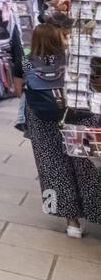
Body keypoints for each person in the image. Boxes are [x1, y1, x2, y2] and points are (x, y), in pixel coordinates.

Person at [14, 20, 101, 238]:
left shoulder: (26, 61)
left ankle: (71, 222)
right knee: (86, 167)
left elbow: (18, 89)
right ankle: (96, 212)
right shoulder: (73, 59)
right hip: (77, 116)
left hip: (42, 118)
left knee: (52, 167)